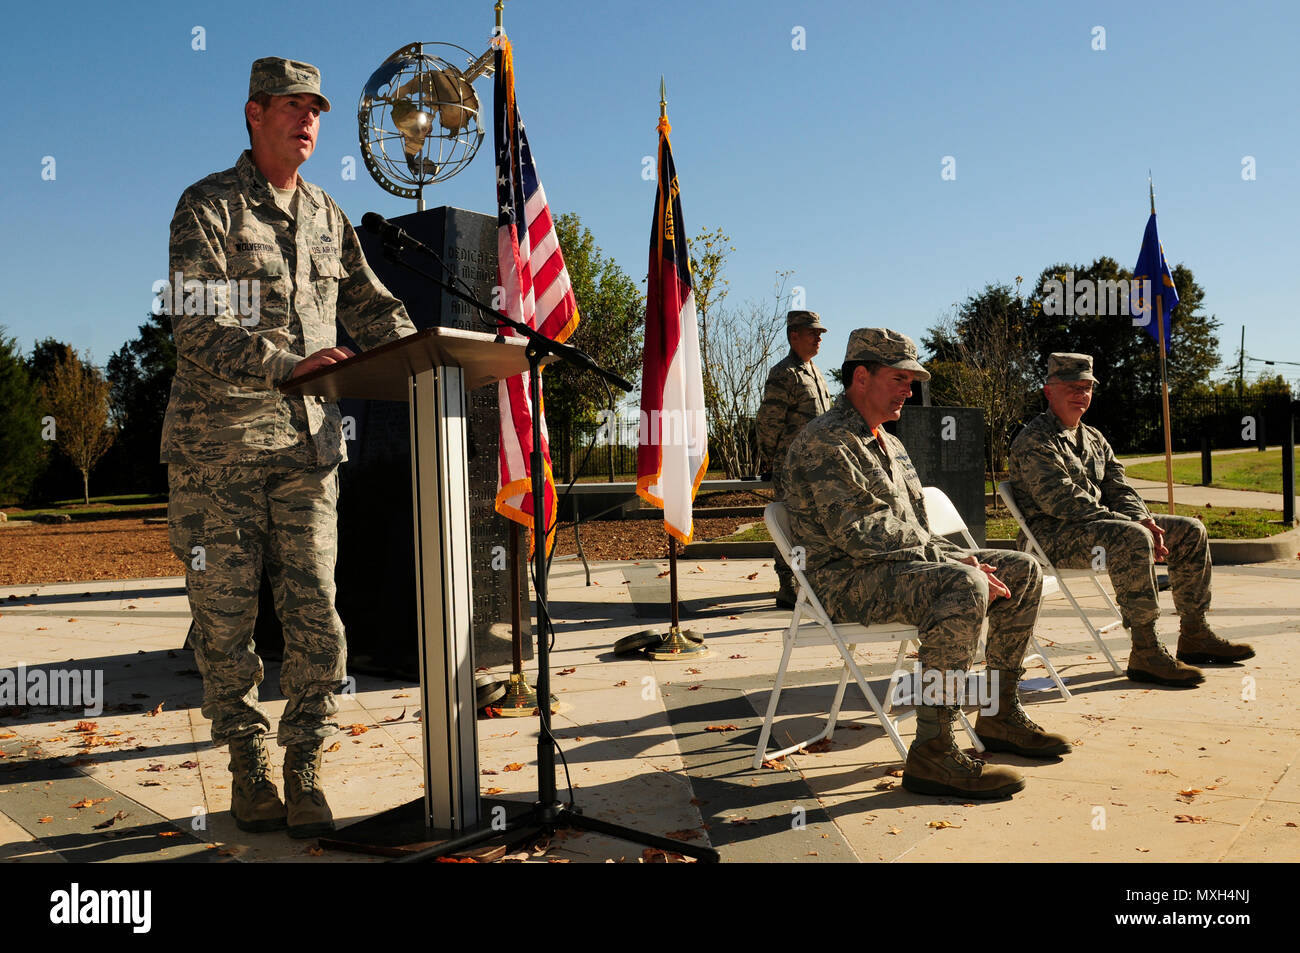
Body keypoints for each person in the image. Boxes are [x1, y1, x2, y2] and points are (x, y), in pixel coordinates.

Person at [161, 57, 417, 837]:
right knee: (226, 625)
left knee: (317, 617)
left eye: (317, 110)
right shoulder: (206, 206)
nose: (309, 121)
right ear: (254, 112)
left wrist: (432, 352)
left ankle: (304, 763)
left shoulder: (329, 216)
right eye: (293, 107)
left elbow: (374, 311)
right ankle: (248, 766)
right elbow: (196, 323)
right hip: (219, 454)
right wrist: (288, 366)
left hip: (308, 454)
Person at [783, 328, 1070, 799]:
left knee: (1023, 569)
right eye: (898, 378)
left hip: (892, 567)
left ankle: (998, 713)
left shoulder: (889, 443)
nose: (908, 389)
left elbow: (913, 527)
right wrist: (958, 563)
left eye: (911, 380)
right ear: (861, 376)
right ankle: (934, 751)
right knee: (961, 586)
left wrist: (959, 554)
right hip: (842, 579)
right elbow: (862, 532)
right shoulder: (826, 442)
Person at [1008, 353, 1253, 687]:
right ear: (1049, 391)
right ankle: (1145, 651)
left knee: (1190, 530)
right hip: (1052, 537)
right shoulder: (1035, 440)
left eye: (1087, 387)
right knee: (1131, 537)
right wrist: (1135, 527)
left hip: (1101, 529)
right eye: (1072, 387)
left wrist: (1143, 519)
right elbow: (1062, 501)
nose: (1081, 394)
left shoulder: (1093, 438)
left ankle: (1195, 634)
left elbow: (1119, 487)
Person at [755, 310, 832, 608]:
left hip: (819, 468)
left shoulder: (816, 372)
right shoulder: (784, 374)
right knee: (791, 526)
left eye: (821, 333)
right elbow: (768, 422)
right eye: (812, 332)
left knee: (814, 527)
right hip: (792, 468)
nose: (819, 337)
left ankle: (809, 582)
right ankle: (786, 583)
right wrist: (769, 458)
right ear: (794, 335)